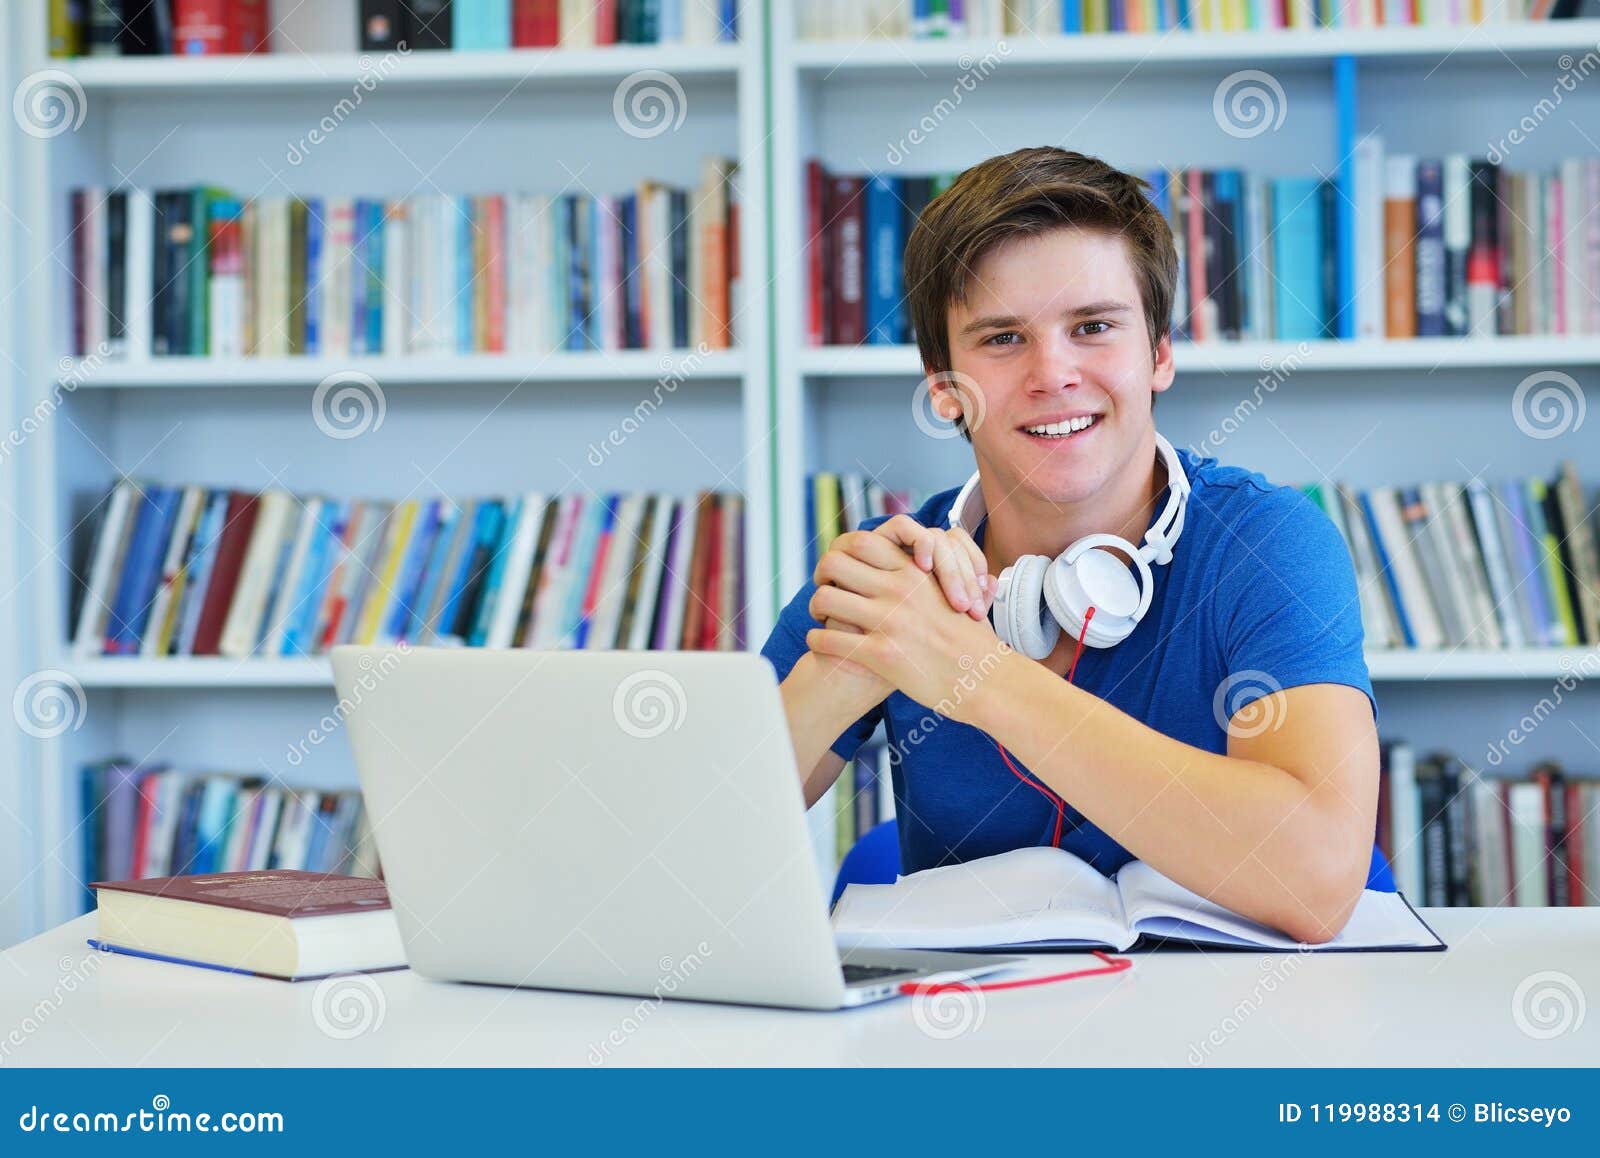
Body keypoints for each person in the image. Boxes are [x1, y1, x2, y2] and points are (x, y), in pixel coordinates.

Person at [761, 146, 1379, 945]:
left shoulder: (1269, 542)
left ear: (1158, 354)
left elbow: (1320, 879)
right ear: (943, 385)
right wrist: (847, 667)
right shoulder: (897, 578)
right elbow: (672, 866)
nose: (1053, 373)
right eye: (1003, 338)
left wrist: (972, 673)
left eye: (1093, 327)